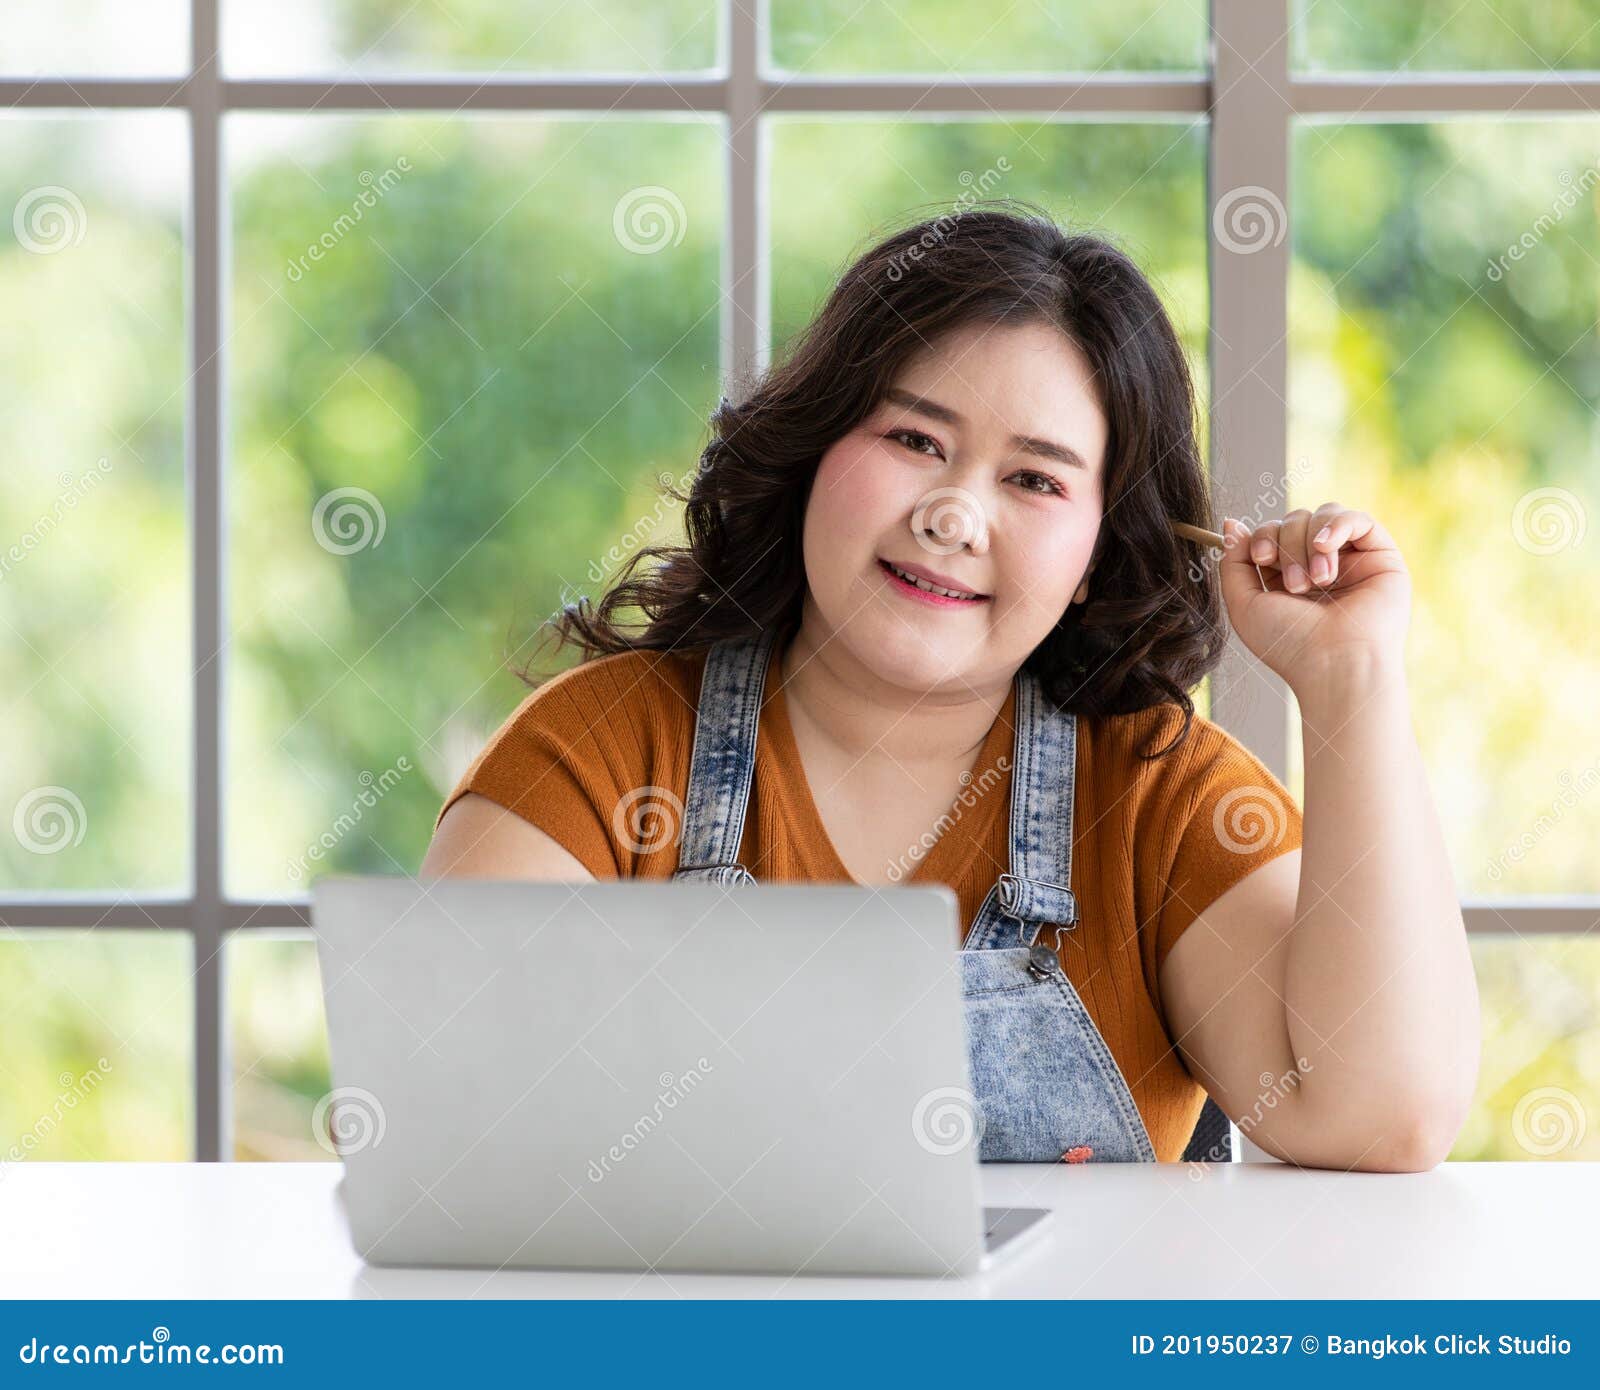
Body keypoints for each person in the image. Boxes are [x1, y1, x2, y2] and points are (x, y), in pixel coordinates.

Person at [422, 203, 1480, 1171]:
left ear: (1098, 551)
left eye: (1032, 478)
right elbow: (452, 1132)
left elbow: (1380, 1116)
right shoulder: (601, 748)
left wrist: (1351, 685)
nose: (952, 514)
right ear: (814, 451)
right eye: (912, 439)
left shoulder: (1156, 798)